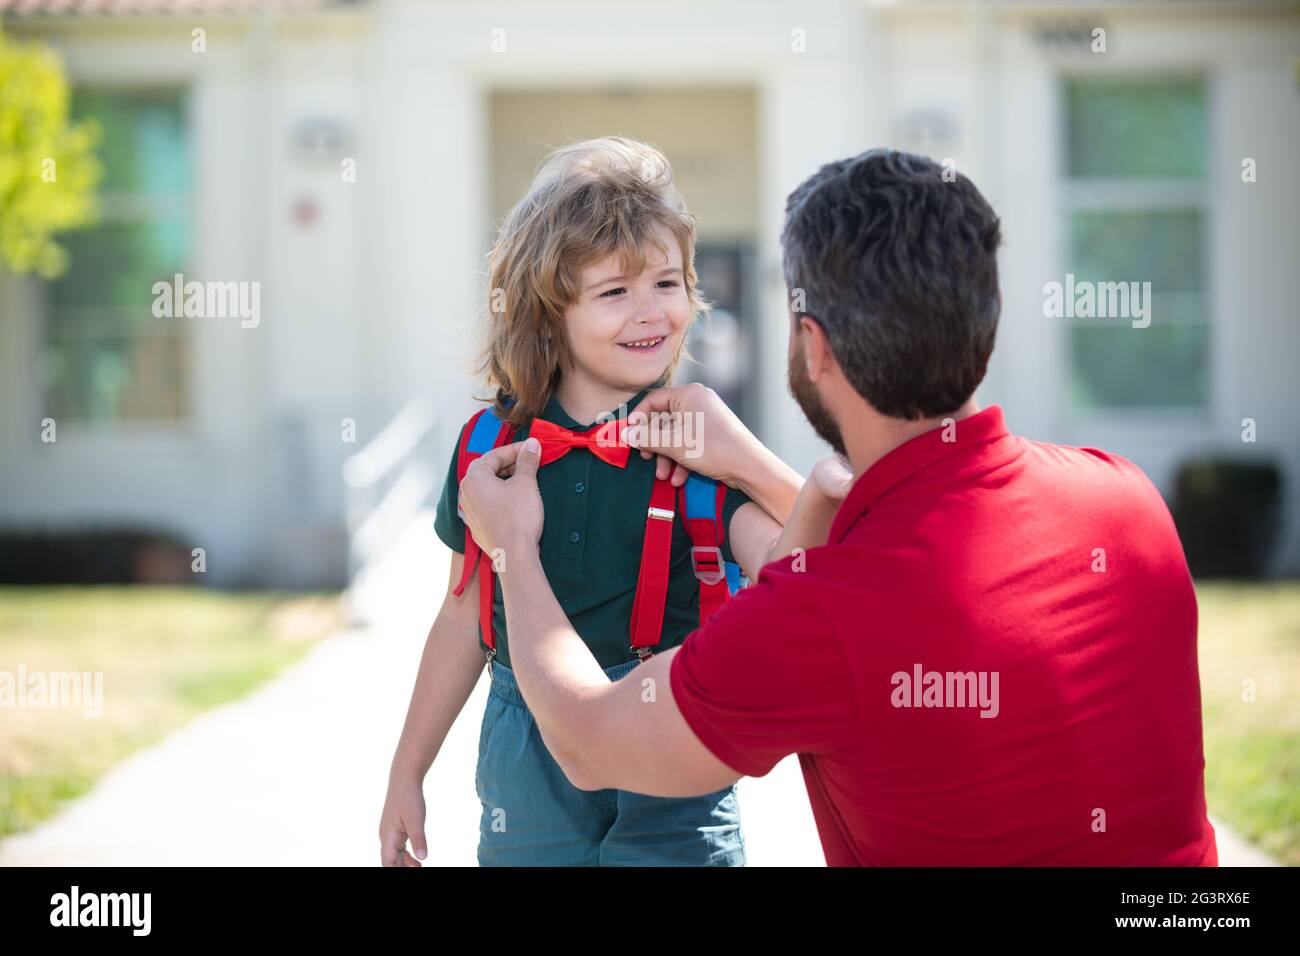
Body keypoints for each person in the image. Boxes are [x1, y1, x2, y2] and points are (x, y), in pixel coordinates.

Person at [457, 148, 1219, 866]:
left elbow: (588, 742)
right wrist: (747, 461)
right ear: (984, 317)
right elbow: (878, 526)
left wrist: (513, 548)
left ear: (813, 347)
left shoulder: (817, 614)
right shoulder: (1127, 499)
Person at [380, 137, 791, 866]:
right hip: (525, 755)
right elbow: (461, 619)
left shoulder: (699, 439)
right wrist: (407, 771)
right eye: (614, 292)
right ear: (548, 312)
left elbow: (810, 554)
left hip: (672, 743)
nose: (650, 313)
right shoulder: (489, 450)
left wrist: (748, 460)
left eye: (667, 283)